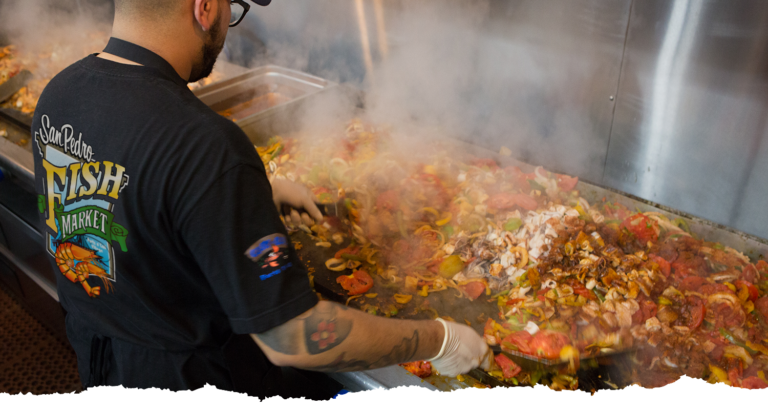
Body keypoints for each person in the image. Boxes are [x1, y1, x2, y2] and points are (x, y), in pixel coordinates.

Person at [32, 0, 490, 395]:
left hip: (99, 360)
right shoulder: (205, 144)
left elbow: (110, 193)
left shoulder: (59, 94)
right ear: (203, 7)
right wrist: (439, 340)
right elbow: (295, 337)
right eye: (232, 7)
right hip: (192, 381)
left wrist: (251, 194)